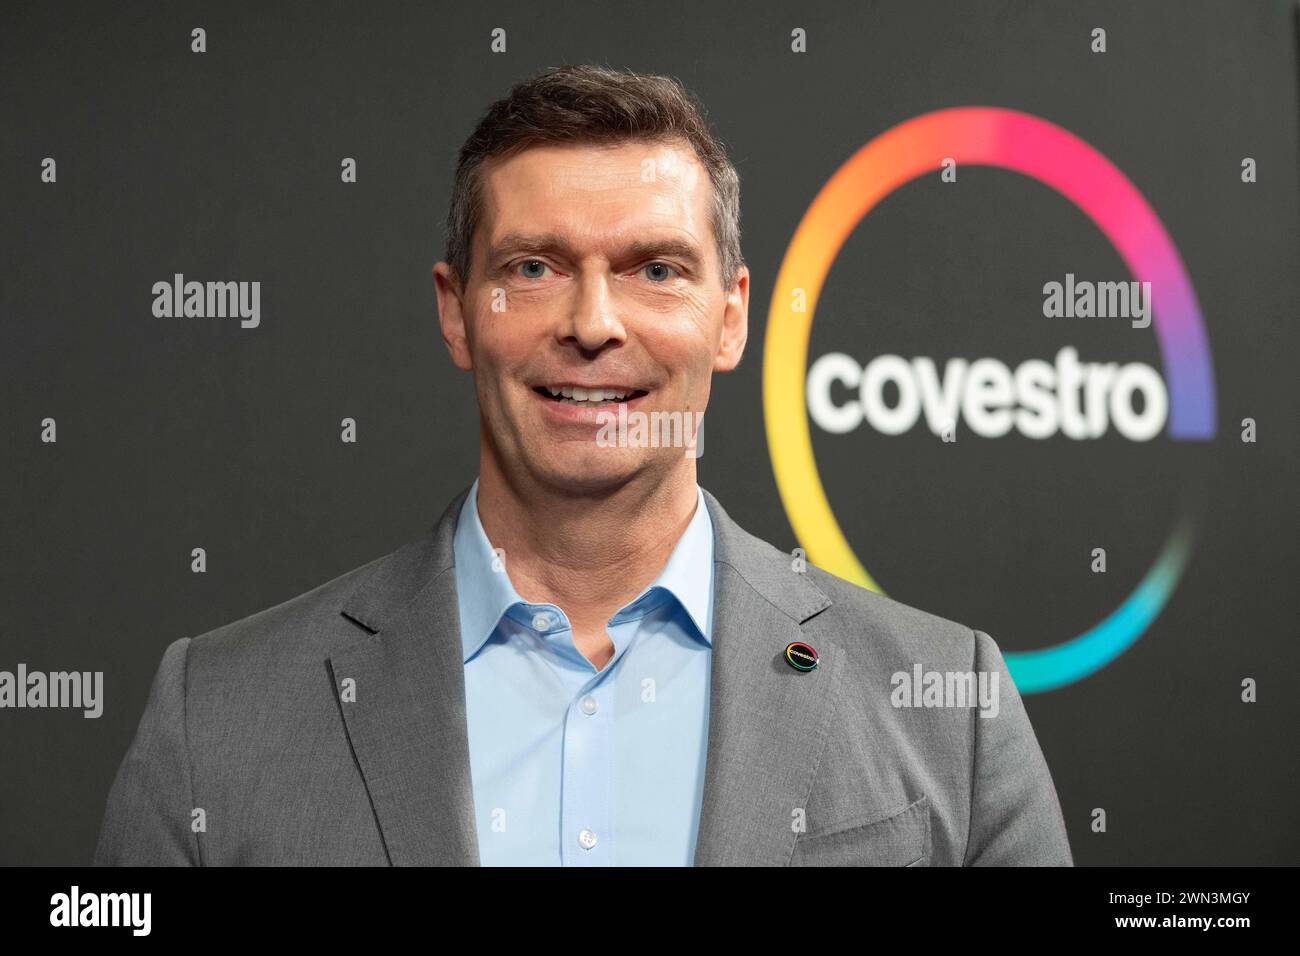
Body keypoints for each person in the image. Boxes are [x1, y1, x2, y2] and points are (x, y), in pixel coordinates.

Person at [95, 64, 1072, 866]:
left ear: (730, 315)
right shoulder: (217, 715)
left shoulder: (954, 711)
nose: (593, 325)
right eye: (533, 267)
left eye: (655, 268)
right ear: (455, 309)